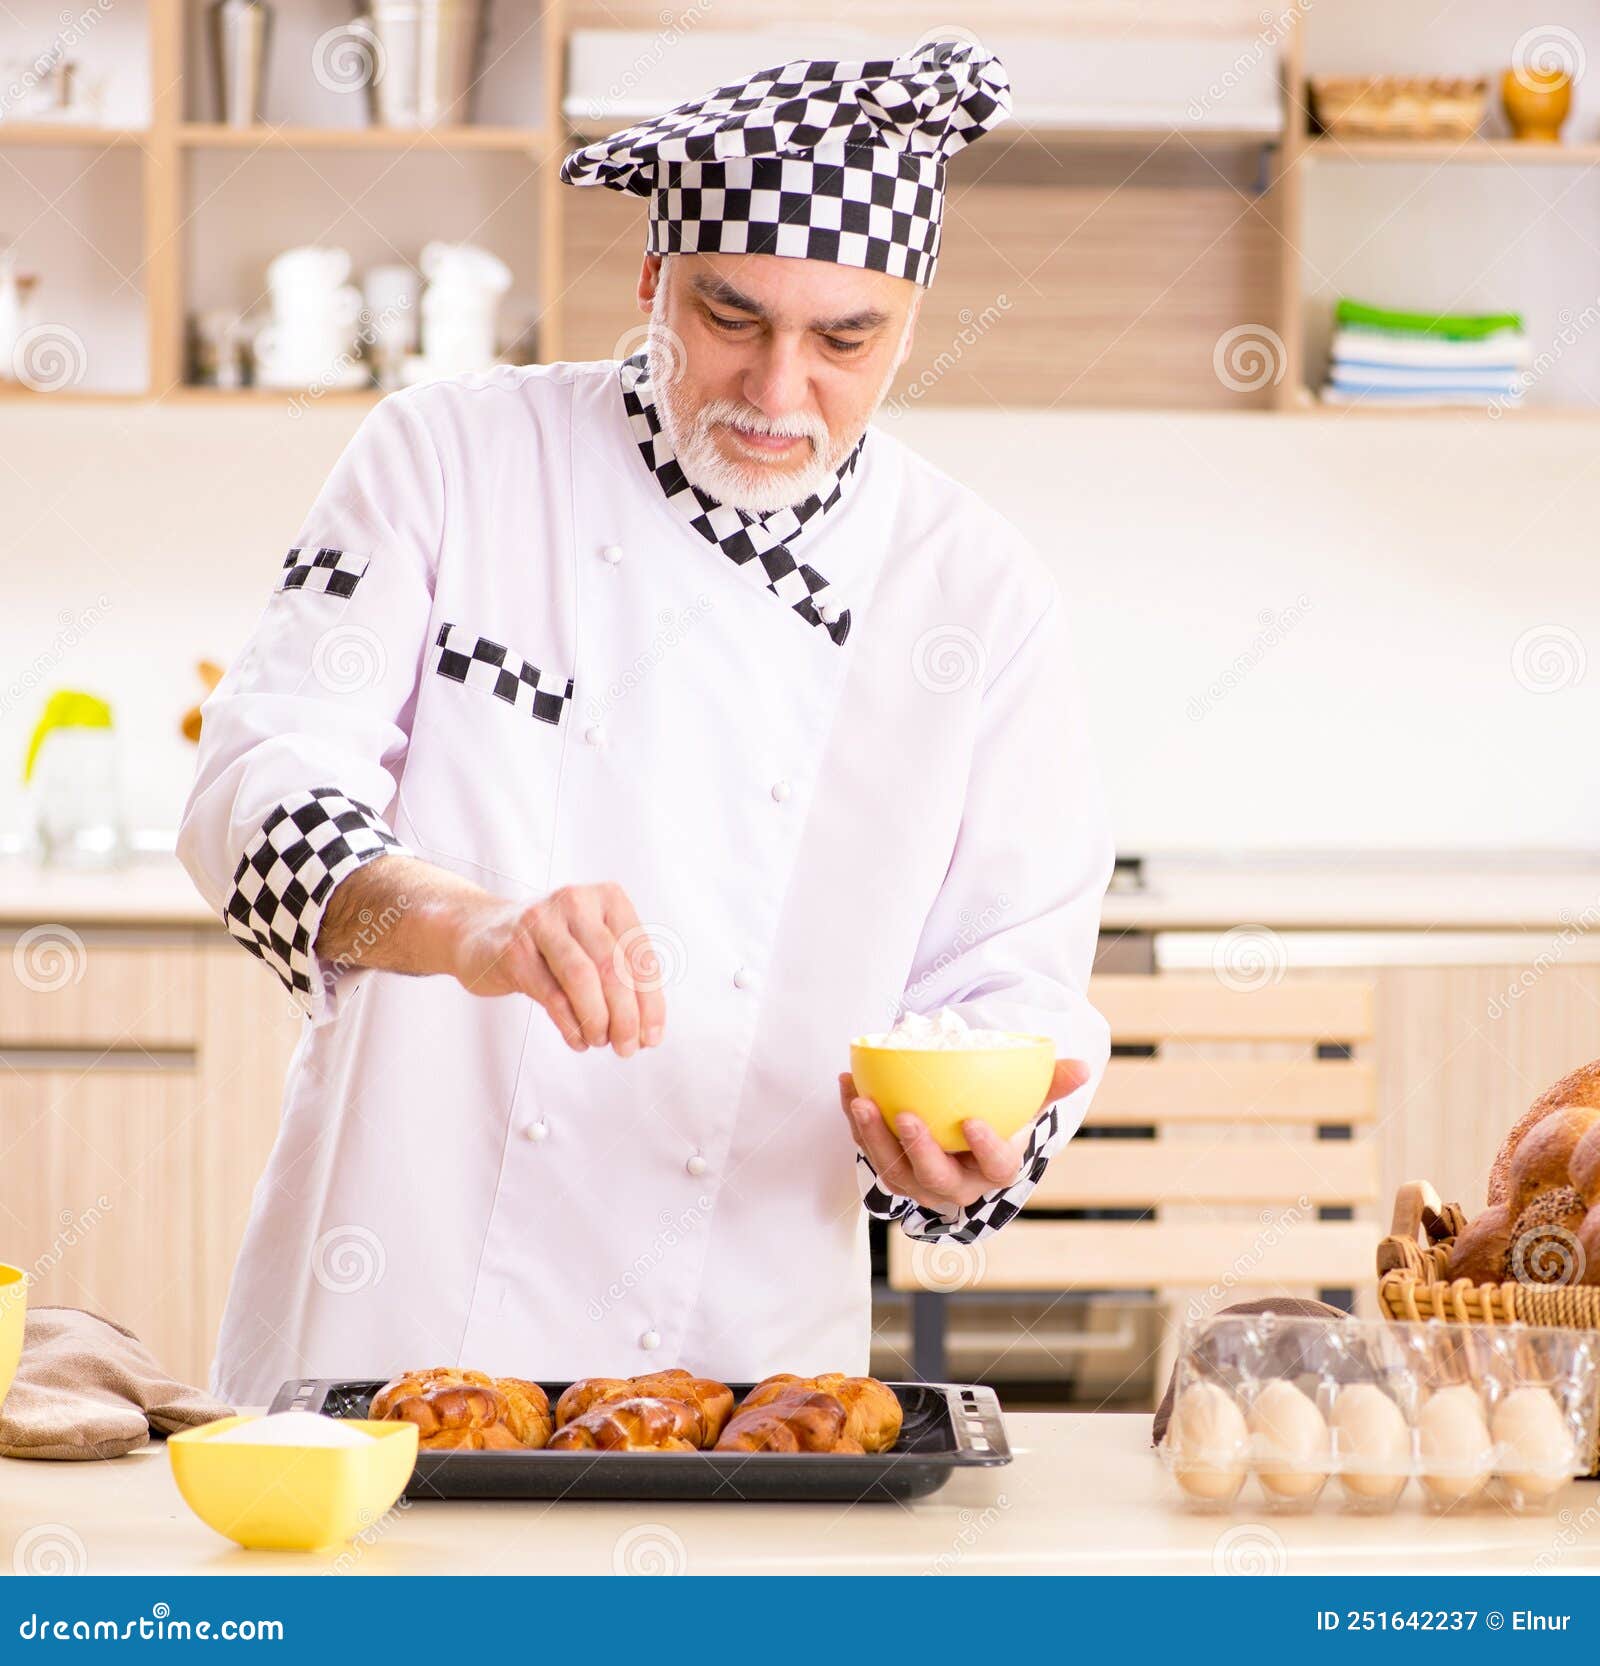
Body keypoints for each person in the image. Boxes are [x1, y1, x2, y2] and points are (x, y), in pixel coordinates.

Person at [178, 38, 1112, 1405]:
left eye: (844, 339)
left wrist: (973, 1159)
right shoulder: (451, 459)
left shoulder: (978, 593)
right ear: (650, 282)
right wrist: (473, 926)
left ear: (908, 323)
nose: (779, 390)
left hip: (745, 1374)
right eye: (731, 319)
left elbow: (1016, 985)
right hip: (393, 1320)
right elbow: (250, 794)